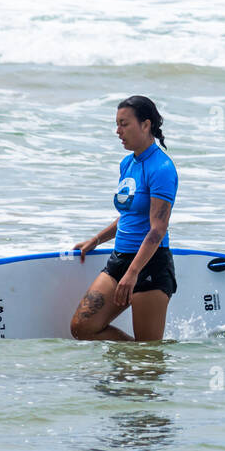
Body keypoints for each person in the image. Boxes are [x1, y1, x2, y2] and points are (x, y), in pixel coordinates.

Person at [70, 96, 178, 341]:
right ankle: (128, 369)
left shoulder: (161, 168)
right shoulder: (127, 164)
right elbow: (130, 215)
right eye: (117, 124)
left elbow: (157, 229)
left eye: (124, 124)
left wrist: (133, 272)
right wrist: (96, 240)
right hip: (120, 260)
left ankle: (141, 372)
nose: (118, 131)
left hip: (149, 265)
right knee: (82, 327)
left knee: (147, 351)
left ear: (146, 125)